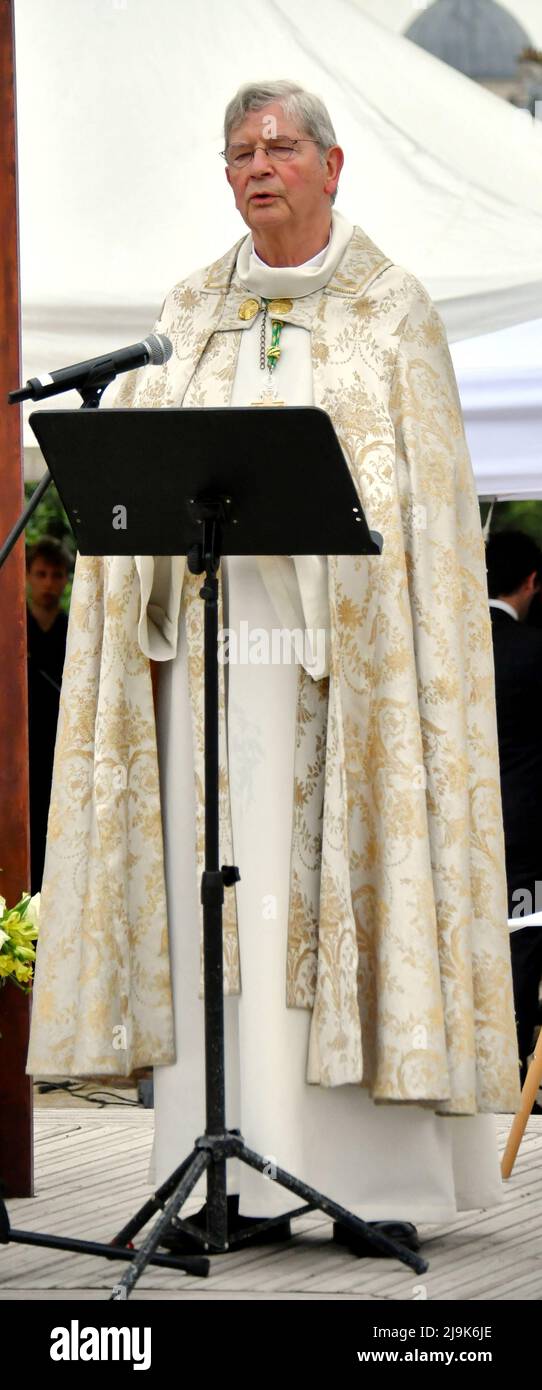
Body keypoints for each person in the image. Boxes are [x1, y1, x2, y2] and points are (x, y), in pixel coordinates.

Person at [27, 80, 520, 1252]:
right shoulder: (190, 310)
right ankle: (229, 1180)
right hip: (207, 662)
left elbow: (425, 517)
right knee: (222, 914)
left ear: (332, 166)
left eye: (280, 145)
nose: (258, 165)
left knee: (342, 892)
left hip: (344, 680)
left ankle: (373, 1185)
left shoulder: (390, 312)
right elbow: (144, 460)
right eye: (239, 150)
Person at [486, 529, 542, 1085]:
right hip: (524, 831)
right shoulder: (534, 651)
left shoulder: (447, 644)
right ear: (532, 581)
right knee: (524, 938)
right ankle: (514, 1072)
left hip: (456, 824)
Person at [25, 537, 70, 893]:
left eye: (56, 575)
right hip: (20, 750)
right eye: (41, 574)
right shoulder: (13, 628)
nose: (48, 584)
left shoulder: (74, 632)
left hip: (61, 749)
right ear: (27, 577)